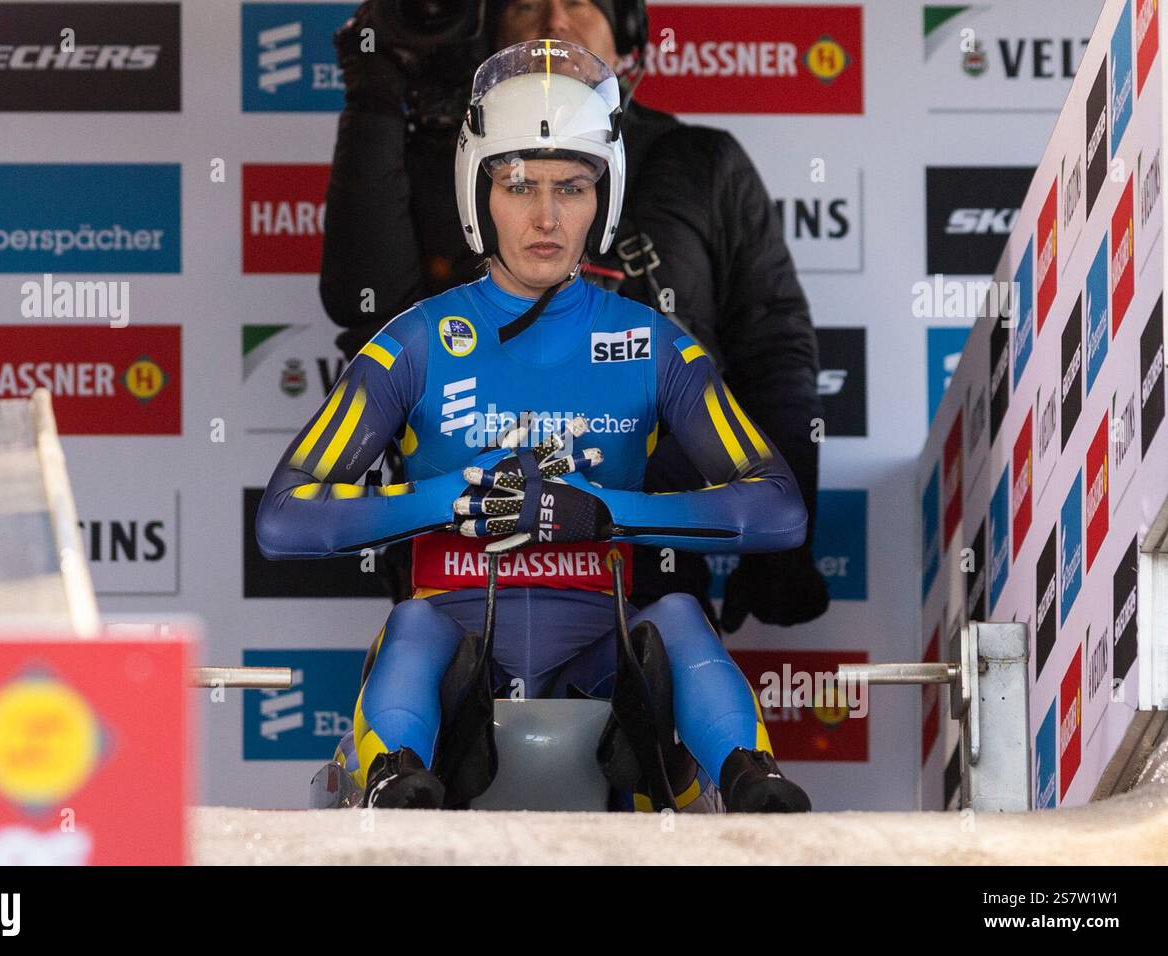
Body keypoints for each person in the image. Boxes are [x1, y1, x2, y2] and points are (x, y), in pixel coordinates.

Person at [260, 39, 811, 813]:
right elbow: (284, 519)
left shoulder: (651, 342)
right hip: (455, 662)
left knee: (680, 615)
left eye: (573, 187)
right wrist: (451, 499)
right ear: (478, 193)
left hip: (604, 658)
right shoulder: (417, 338)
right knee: (412, 627)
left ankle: (754, 783)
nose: (547, 217)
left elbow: (780, 508)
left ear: (606, 198)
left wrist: (608, 514)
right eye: (519, 186)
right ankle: (396, 782)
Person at [322, 0, 829, 633]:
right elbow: (367, 310)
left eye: (583, 3)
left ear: (629, 38)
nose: (553, 23)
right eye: (528, 4)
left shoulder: (702, 162)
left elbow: (773, 357)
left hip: (652, 563)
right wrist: (373, 100)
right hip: (462, 560)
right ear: (489, 31)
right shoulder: (442, 160)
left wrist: (786, 541)